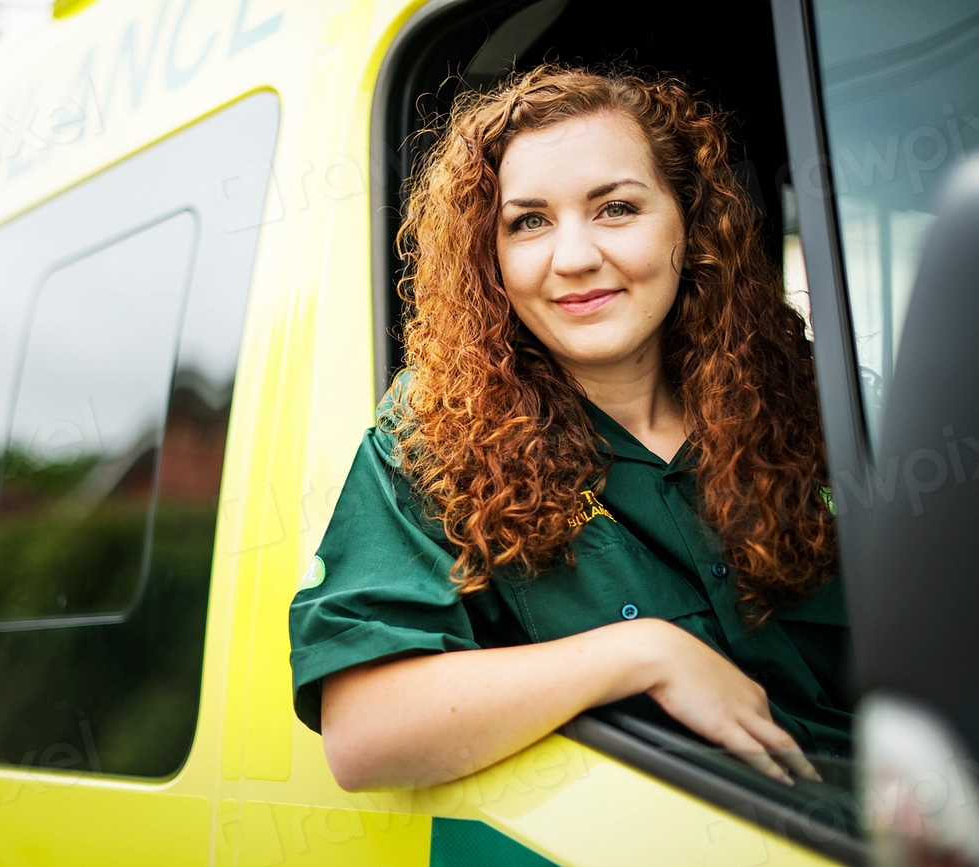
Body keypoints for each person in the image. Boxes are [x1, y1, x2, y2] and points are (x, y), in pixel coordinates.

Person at [288, 65, 852, 793]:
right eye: (529, 222)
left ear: (689, 221)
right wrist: (644, 654)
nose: (576, 258)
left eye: (616, 208)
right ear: (489, 256)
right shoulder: (433, 444)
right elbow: (366, 736)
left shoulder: (818, 406)